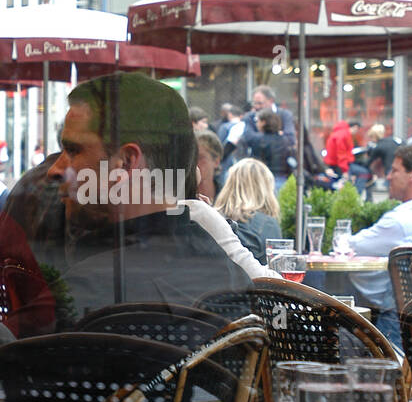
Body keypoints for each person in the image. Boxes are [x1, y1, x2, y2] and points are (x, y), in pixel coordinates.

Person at [44, 72, 249, 321]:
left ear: (125, 162)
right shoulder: (231, 278)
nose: (54, 170)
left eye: (73, 150)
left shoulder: (83, 293)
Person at [347, 143, 412, 350]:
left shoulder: (401, 220)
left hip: (396, 321)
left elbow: (351, 246)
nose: (388, 176)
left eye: (395, 170)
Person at [214, 157, 283, 264]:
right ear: (266, 190)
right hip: (250, 280)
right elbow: (275, 271)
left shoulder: (212, 218)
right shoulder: (268, 224)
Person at [255, 109, 294, 190]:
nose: (256, 124)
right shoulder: (284, 140)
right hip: (283, 179)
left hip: (266, 179)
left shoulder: (260, 140)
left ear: (263, 122)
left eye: (258, 121)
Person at [195, 130, 223, 202]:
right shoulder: (180, 201)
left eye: (200, 158)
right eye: (190, 158)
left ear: (216, 161)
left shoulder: (226, 197)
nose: (194, 163)